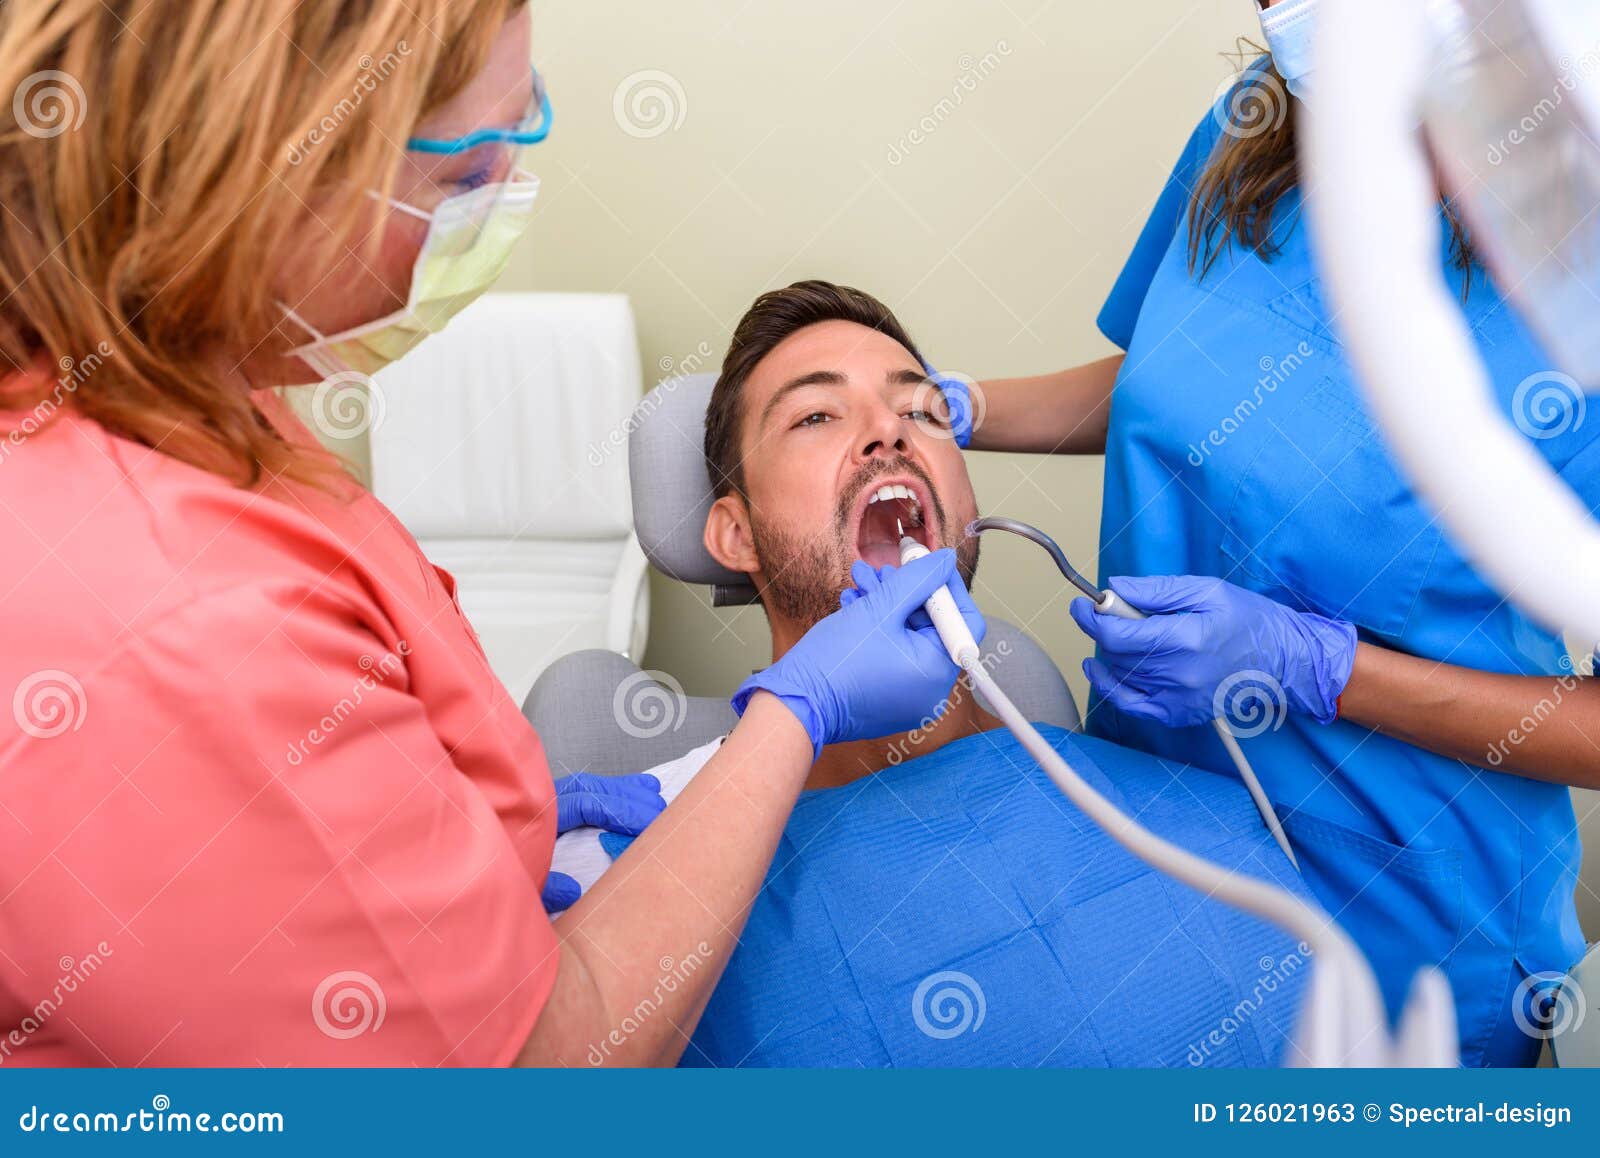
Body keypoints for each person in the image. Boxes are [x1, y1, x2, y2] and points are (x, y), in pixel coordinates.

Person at [0, 2, 980, 1066]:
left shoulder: (196, 390)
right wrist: (795, 714)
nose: (889, 431)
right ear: (257, 182)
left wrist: (458, 826)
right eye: (464, 177)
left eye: (920, 406)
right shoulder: (184, 624)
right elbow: (534, 1082)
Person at [936, 0, 1592, 1066]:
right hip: (1162, 848)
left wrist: (1319, 669)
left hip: (1411, 921)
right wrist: (948, 408)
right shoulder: (1253, 140)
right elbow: (1176, 391)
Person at [553, 281, 1314, 1068]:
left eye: (921, 411)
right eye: (816, 416)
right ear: (735, 533)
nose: (888, 431)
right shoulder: (618, 895)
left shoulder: (1202, 820)